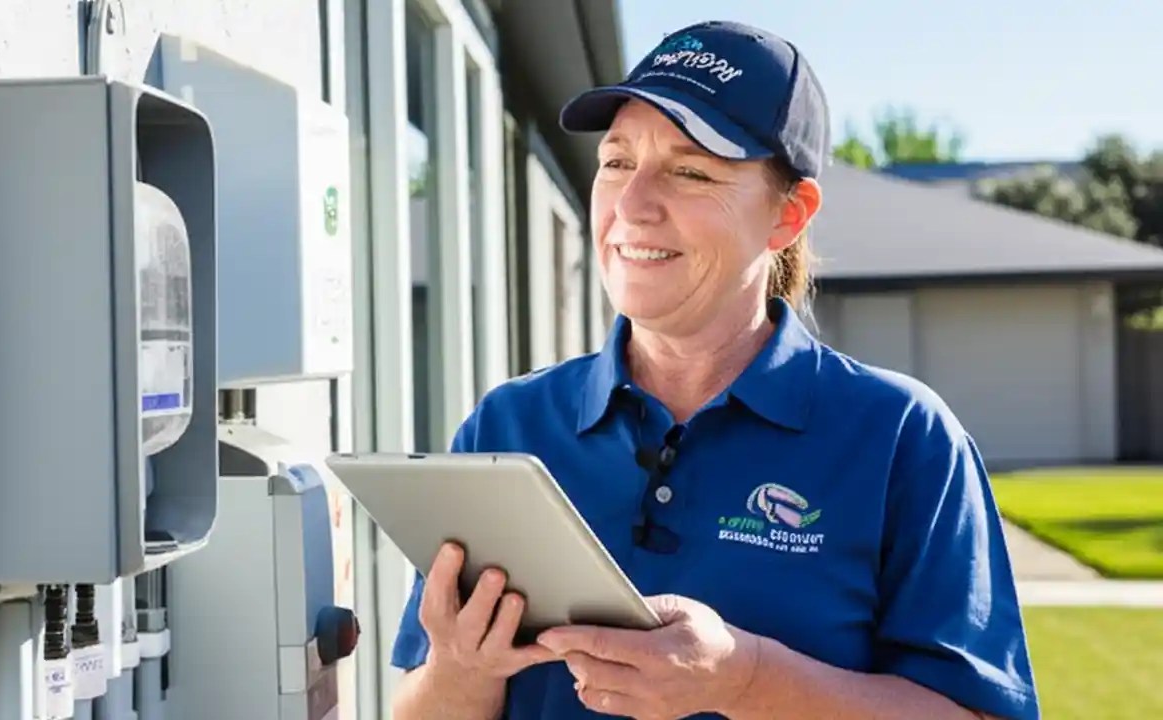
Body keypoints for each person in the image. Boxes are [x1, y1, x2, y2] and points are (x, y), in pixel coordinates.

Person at [390, 19, 1039, 720]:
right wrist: (462, 669)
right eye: (616, 162)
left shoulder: (901, 438)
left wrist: (746, 678)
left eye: (690, 171)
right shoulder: (509, 425)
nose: (631, 207)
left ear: (788, 215)